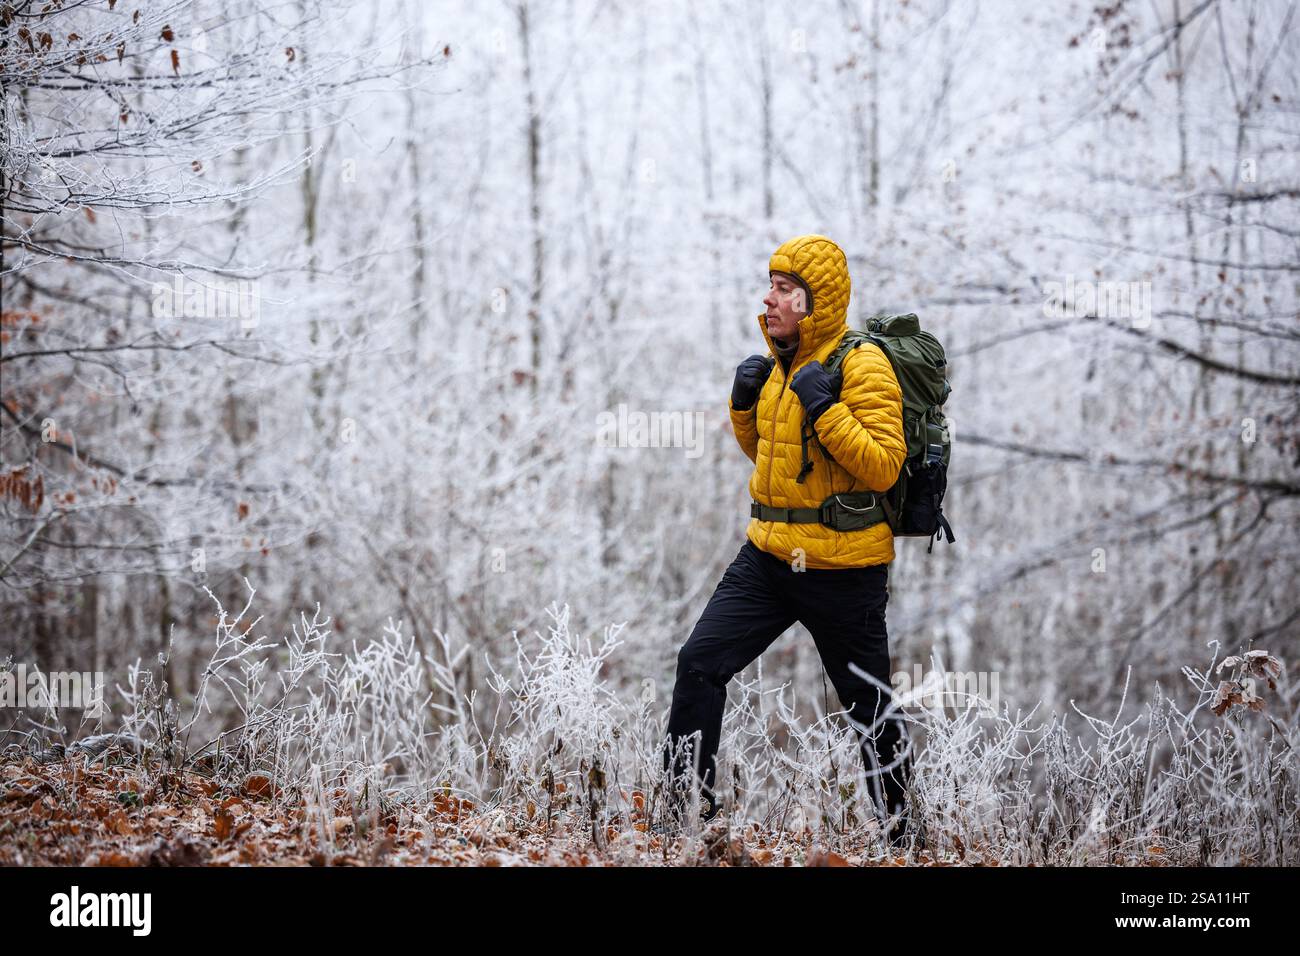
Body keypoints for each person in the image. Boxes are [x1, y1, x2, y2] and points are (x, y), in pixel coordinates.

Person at [660, 234, 915, 846]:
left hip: (843, 570)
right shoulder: (781, 361)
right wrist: (745, 408)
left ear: (814, 301)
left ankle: (903, 840)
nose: (769, 299)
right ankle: (679, 823)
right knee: (699, 663)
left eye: (783, 289)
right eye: (771, 285)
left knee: (870, 708)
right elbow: (773, 462)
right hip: (769, 560)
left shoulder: (861, 364)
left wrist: (827, 408)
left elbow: (883, 465)